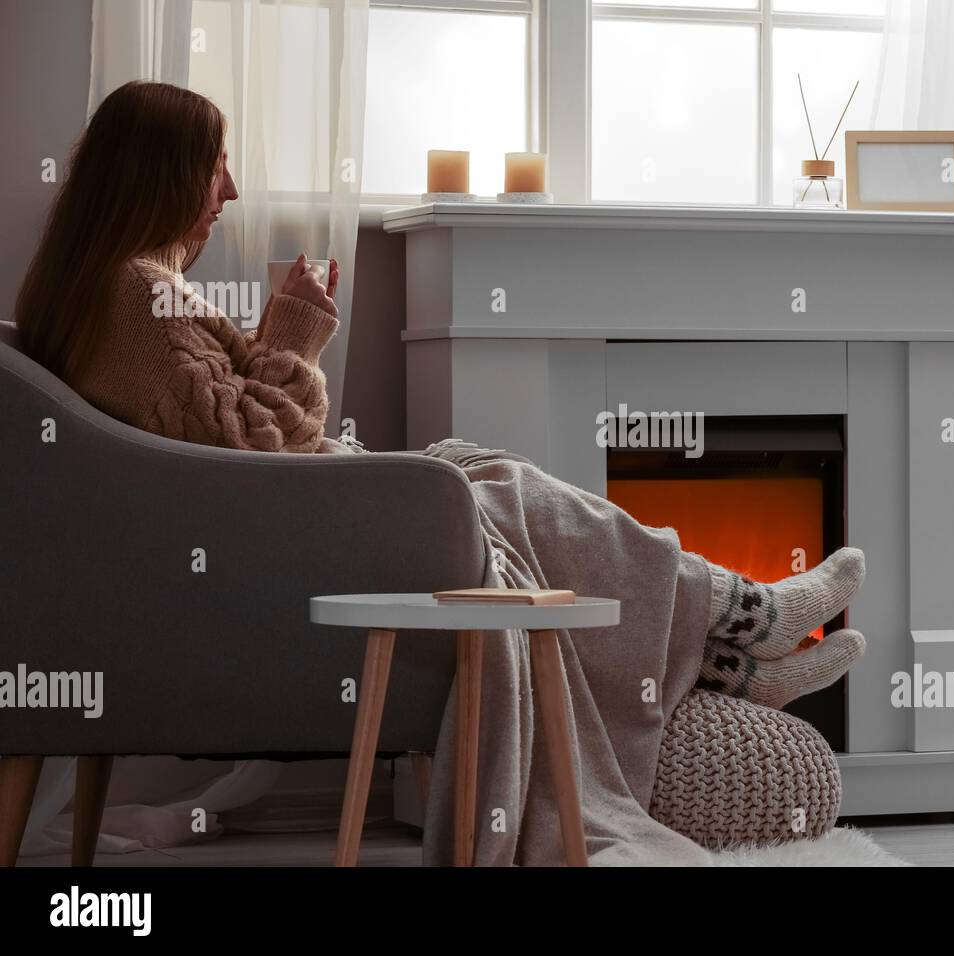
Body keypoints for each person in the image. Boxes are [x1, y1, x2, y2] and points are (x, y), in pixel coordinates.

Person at [14, 81, 867, 862]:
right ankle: (743, 621)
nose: (230, 191)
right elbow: (259, 444)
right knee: (505, 493)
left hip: (293, 529)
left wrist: (282, 338)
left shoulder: (118, 290)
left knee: (487, 479)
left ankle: (737, 647)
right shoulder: (136, 298)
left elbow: (229, 443)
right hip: (298, 546)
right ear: (159, 174)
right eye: (216, 167)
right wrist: (298, 334)